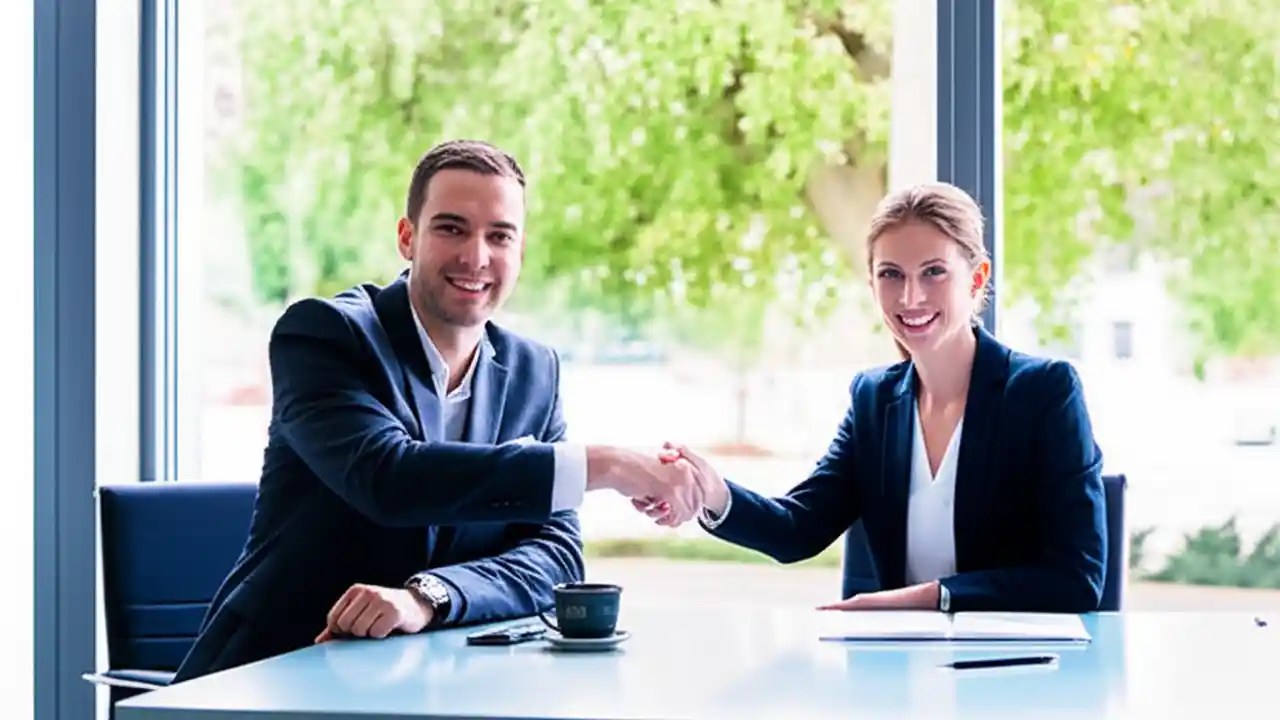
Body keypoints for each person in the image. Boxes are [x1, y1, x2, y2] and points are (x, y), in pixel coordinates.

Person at [175, 140, 703, 681]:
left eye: (499, 236)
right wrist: (606, 465)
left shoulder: (533, 371)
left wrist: (428, 597)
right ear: (408, 238)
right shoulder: (325, 336)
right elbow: (390, 477)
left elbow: (554, 556)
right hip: (273, 676)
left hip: (430, 682)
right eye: (452, 228)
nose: (476, 257)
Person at [644, 182, 1108, 613]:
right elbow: (798, 530)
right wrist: (713, 491)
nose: (910, 297)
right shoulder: (874, 400)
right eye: (891, 274)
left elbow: (1077, 578)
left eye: (934, 272)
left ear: (977, 278)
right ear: (871, 284)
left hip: (1018, 673)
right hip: (899, 671)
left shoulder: (1043, 392)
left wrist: (927, 598)